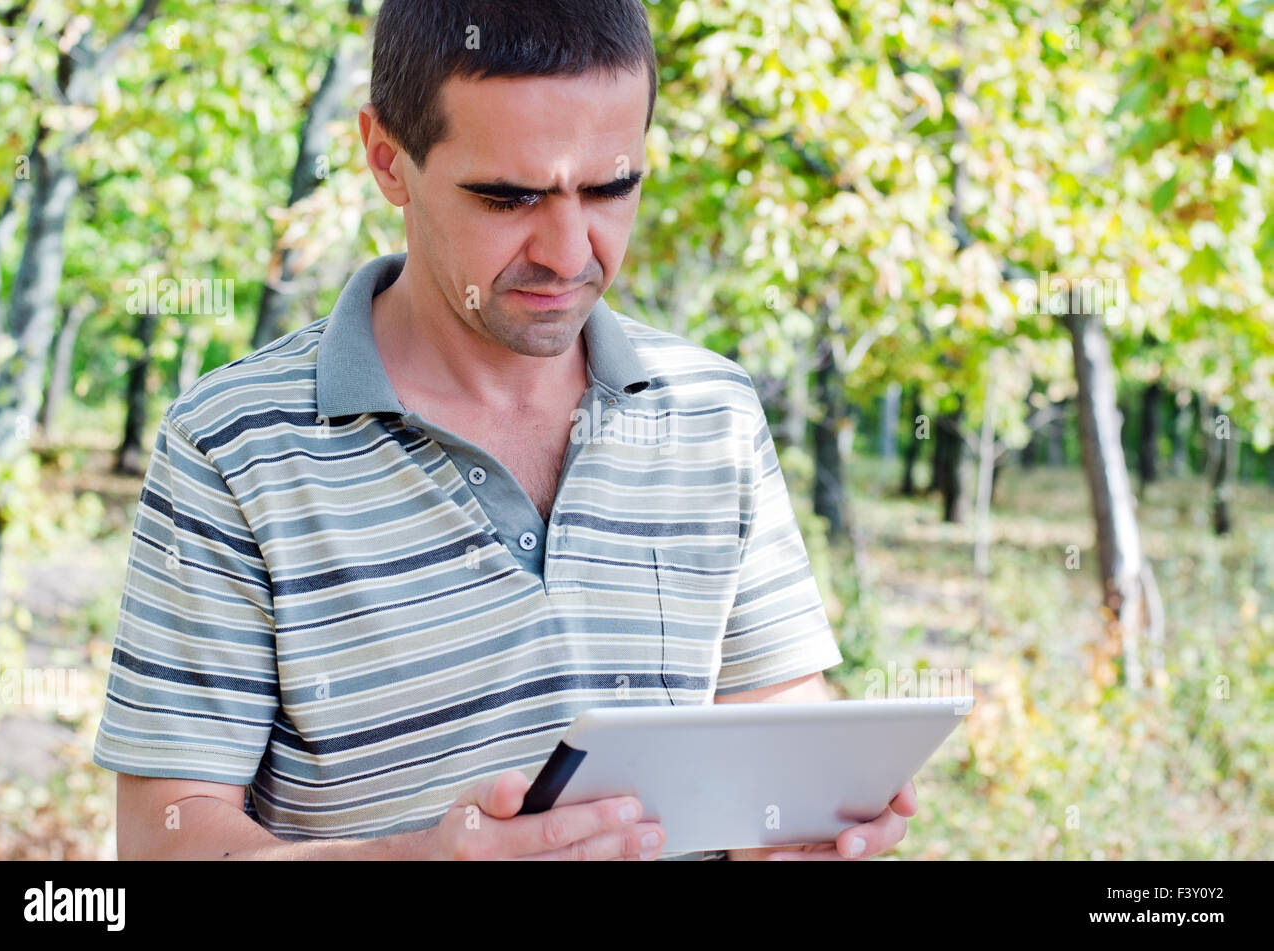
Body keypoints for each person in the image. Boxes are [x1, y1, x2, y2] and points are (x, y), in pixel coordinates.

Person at [93, 0, 915, 861]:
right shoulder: (234, 445)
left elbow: (772, 730)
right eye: (509, 196)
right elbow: (162, 839)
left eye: (610, 188)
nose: (568, 253)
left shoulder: (713, 411)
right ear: (386, 159)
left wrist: (801, 827)